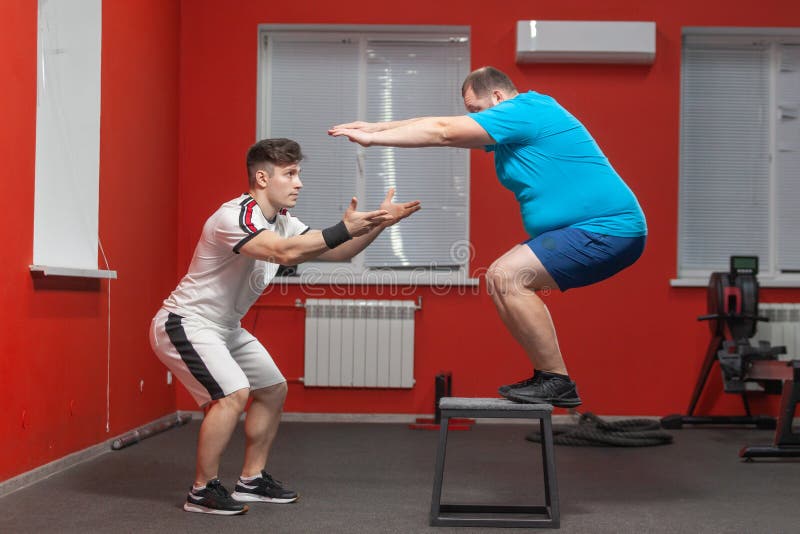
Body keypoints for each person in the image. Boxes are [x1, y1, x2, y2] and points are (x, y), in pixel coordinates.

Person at [329, 66, 646, 408]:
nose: (474, 119)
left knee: (506, 274)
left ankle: (556, 380)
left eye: (476, 110)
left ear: (498, 97)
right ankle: (548, 377)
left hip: (607, 228)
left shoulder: (528, 110)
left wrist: (374, 139)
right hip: (587, 230)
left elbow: (444, 131)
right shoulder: (512, 127)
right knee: (499, 280)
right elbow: (439, 122)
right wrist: (377, 126)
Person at [149, 138, 420, 515]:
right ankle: (202, 491)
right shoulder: (235, 217)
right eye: (290, 174)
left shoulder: (284, 222)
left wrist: (379, 224)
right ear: (262, 177)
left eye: (299, 174)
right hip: (185, 322)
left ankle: (251, 480)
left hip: (225, 326)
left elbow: (339, 252)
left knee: (273, 389)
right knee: (232, 395)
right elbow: (282, 252)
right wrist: (342, 226)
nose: (299, 183)